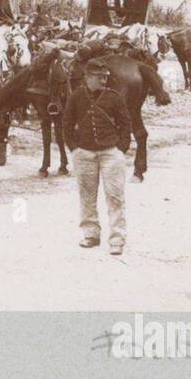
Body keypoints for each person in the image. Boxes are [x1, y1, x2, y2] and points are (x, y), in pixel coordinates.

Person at [62, 58, 133, 256]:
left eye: (105, 77)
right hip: (84, 153)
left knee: (115, 197)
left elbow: (126, 124)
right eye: (99, 77)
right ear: (87, 78)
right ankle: (90, 234)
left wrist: (121, 149)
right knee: (87, 196)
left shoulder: (114, 97)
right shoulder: (76, 97)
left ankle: (117, 239)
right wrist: (74, 149)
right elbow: (66, 124)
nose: (103, 81)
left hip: (111, 154)